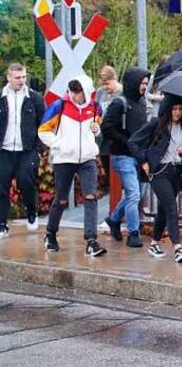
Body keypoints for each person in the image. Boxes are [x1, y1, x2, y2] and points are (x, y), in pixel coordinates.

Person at [38, 76, 106, 256]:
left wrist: (96, 130)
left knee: (90, 197)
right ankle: (50, 234)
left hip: (87, 158)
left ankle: (92, 241)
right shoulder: (59, 106)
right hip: (64, 159)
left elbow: (97, 125)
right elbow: (43, 130)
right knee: (61, 199)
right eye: (73, 92)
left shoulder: (95, 107)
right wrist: (60, 144)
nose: (75, 96)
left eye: (79, 92)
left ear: (86, 91)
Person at [127, 96, 182, 263]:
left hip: (176, 171)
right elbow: (133, 142)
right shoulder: (157, 123)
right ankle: (178, 247)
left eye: (180, 109)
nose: (177, 113)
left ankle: (154, 243)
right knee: (171, 206)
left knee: (164, 208)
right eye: (174, 109)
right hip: (158, 171)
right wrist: (143, 162)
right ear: (168, 109)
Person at [101, 67, 150, 247]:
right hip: (123, 155)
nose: (144, 87)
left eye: (146, 83)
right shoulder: (119, 103)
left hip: (139, 154)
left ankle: (114, 219)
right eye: (142, 83)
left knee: (137, 193)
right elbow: (106, 127)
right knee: (134, 193)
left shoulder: (142, 102)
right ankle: (133, 233)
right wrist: (126, 140)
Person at [0, 63, 46, 237]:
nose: (22, 81)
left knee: (26, 183)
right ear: (9, 78)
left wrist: (38, 149)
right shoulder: (1, 96)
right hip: (3, 150)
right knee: (1, 187)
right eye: (18, 77)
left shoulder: (35, 98)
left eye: (24, 77)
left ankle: (31, 212)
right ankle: (2, 224)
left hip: (27, 150)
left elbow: (44, 125)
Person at [93, 65, 123, 228]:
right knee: (112, 181)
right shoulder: (100, 93)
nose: (105, 88)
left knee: (122, 179)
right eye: (103, 84)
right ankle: (114, 212)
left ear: (115, 79)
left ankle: (118, 213)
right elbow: (95, 112)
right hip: (104, 143)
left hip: (118, 140)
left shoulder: (123, 93)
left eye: (107, 84)